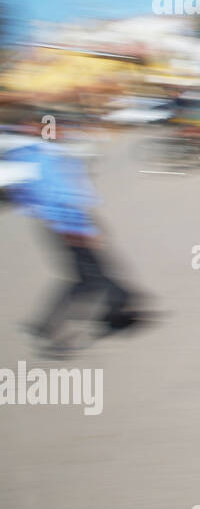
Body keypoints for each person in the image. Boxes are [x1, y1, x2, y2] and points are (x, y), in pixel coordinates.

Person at [1, 123, 151, 353]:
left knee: (96, 274)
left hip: (70, 220)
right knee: (88, 280)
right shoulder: (33, 157)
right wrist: (78, 230)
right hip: (68, 224)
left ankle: (117, 306)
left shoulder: (36, 153)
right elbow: (53, 196)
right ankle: (50, 328)